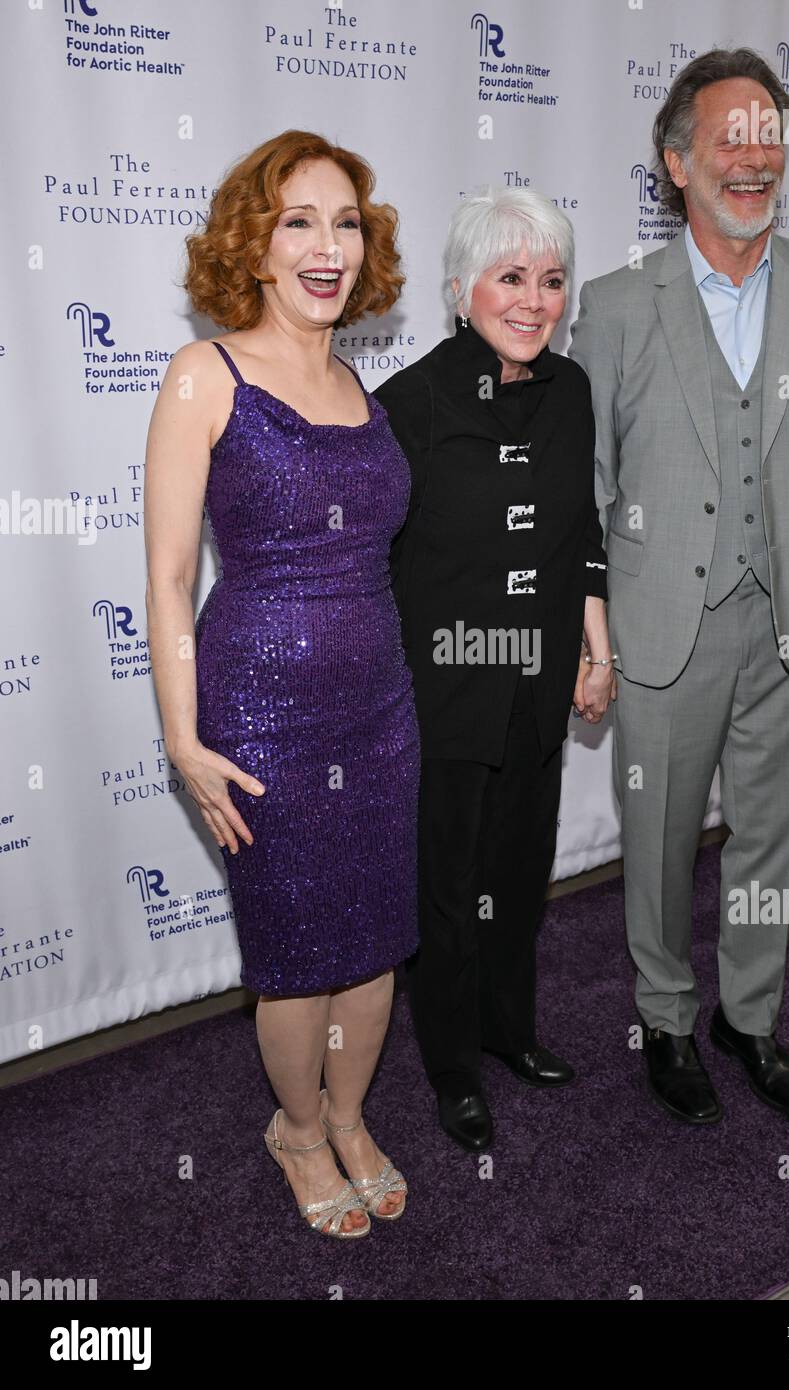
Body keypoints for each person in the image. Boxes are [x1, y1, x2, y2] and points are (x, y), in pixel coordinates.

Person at [569, 48, 789, 1123]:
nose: (752, 162)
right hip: (662, 625)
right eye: (728, 141)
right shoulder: (616, 306)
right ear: (676, 162)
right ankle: (665, 1016)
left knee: (772, 831)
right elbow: (591, 485)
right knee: (657, 839)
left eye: (768, 139)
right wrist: (593, 631)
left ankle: (748, 1017)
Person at [144, 130, 417, 1236]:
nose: (327, 245)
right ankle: (294, 1131)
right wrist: (182, 735)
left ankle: (348, 1115)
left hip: (382, 707)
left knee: (376, 936)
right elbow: (166, 579)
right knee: (299, 952)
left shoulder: (358, 377)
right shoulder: (204, 374)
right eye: (298, 221)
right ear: (253, 246)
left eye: (345, 221)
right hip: (260, 714)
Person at [374, 187, 613, 1151]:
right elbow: (377, 568)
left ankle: (511, 1031)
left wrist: (596, 649)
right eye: (510, 277)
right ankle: (451, 1066)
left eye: (550, 280)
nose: (533, 300)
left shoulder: (572, 392)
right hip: (443, 691)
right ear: (461, 287)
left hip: (540, 676)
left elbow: (579, 530)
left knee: (518, 872)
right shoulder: (407, 404)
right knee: (447, 884)